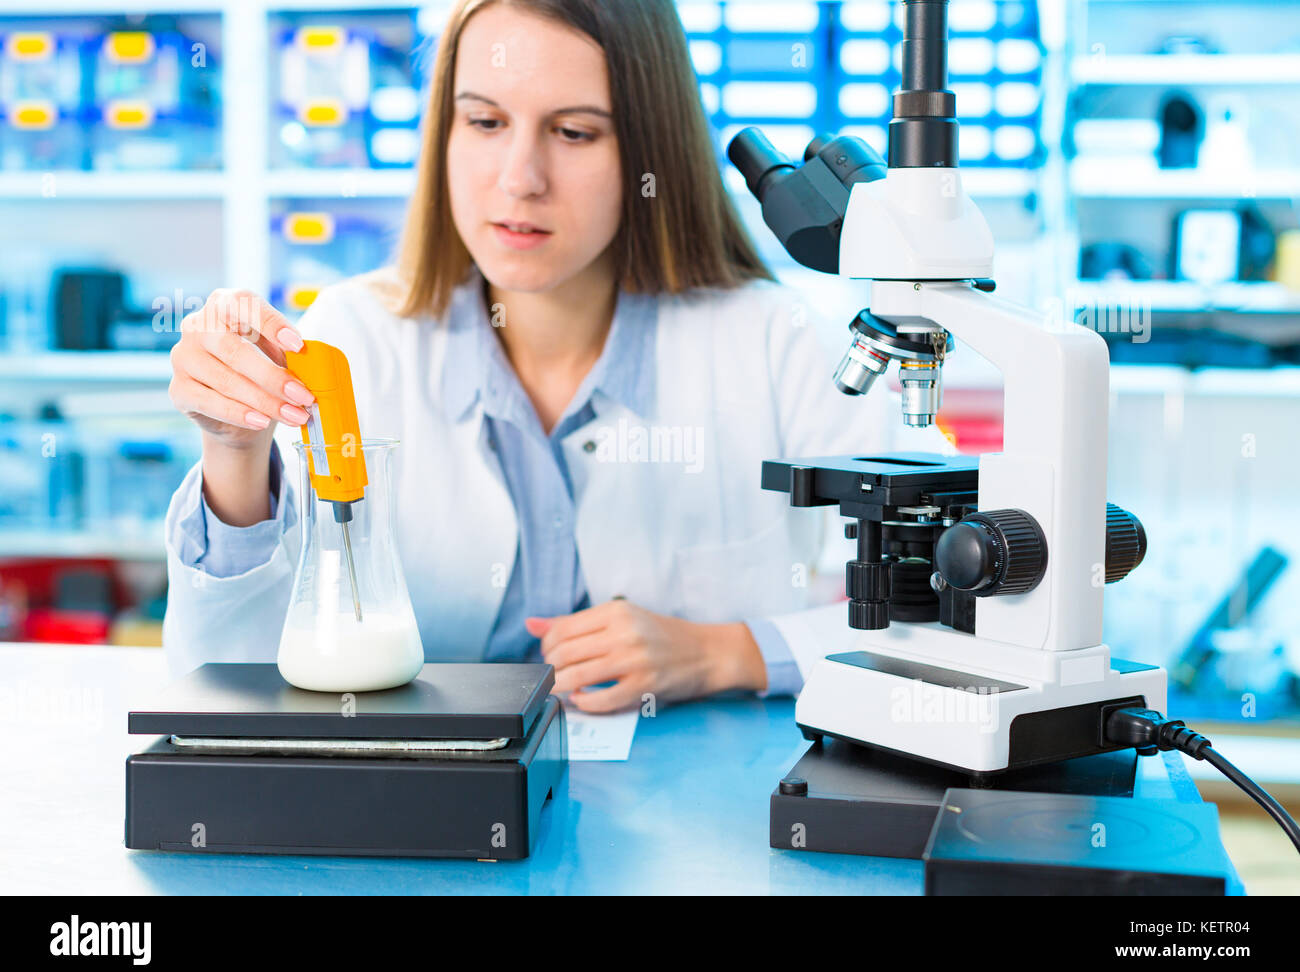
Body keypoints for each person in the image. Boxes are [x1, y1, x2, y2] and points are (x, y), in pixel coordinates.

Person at [163, 0, 943, 712]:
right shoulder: (352, 337)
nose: (520, 179)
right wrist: (234, 454)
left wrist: (729, 651)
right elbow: (225, 674)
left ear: (651, 151)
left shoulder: (777, 342)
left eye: (573, 132)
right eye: (484, 122)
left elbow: (953, 601)